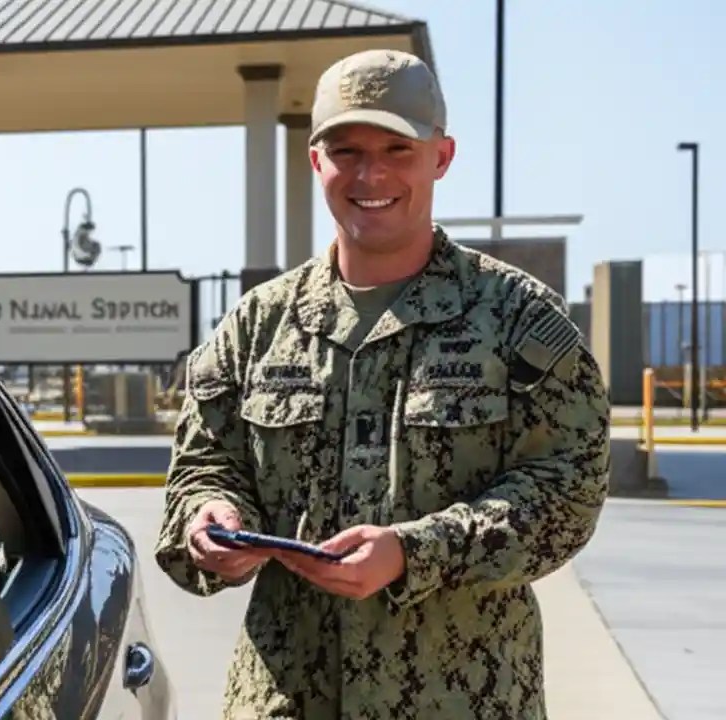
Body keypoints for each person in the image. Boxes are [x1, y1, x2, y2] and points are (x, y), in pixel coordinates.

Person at [154, 48, 610, 719]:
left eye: (397, 148)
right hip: (286, 697)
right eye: (345, 150)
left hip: (462, 699)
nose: (370, 174)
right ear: (317, 162)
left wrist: (412, 554)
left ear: (442, 156)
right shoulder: (258, 324)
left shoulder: (517, 317)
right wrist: (212, 523)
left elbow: (567, 492)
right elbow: (204, 465)